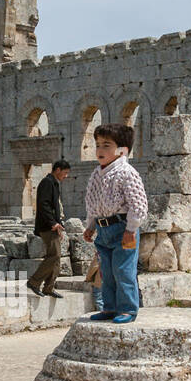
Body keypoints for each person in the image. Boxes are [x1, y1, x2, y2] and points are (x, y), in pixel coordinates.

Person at [83, 124, 148, 324]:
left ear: (122, 150)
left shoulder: (126, 172)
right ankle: (109, 307)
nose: (100, 150)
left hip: (122, 229)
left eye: (106, 145)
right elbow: (93, 202)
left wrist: (131, 229)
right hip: (103, 230)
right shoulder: (96, 174)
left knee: (123, 270)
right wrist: (91, 225)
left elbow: (138, 204)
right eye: (98, 145)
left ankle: (128, 309)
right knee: (107, 272)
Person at [27, 158, 70, 297]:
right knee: (54, 255)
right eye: (65, 173)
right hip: (47, 227)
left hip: (53, 226)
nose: (66, 176)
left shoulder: (54, 183)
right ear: (57, 170)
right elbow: (43, 205)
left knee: (57, 258)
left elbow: (55, 207)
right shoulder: (47, 183)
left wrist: (59, 225)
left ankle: (49, 287)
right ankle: (34, 282)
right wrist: (53, 223)